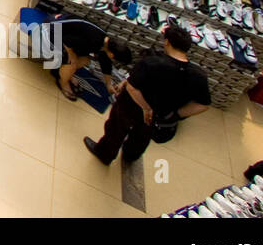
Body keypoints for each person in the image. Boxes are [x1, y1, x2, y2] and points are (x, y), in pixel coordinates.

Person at [85, 25, 210, 166]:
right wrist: (177, 114)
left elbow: (132, 88)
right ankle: (130, 156)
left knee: (116, 128)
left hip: (130, 106)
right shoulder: (198, 76)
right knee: (142, 137)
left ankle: (105, 154)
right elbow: (203, 104)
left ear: (167, 42)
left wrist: (145, 108)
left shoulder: (151, 63)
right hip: (159, 115)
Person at [50, 19, 133, 100]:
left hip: (64, 36)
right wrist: (71, 56)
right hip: (51, 33)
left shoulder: (106, 44)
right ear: (112, 55)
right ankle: (62, 82)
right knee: (72, 62)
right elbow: (66, 41)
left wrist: (108, 85)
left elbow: (106, 63)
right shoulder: (95, 40)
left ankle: (64, 73)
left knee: (85, 60)